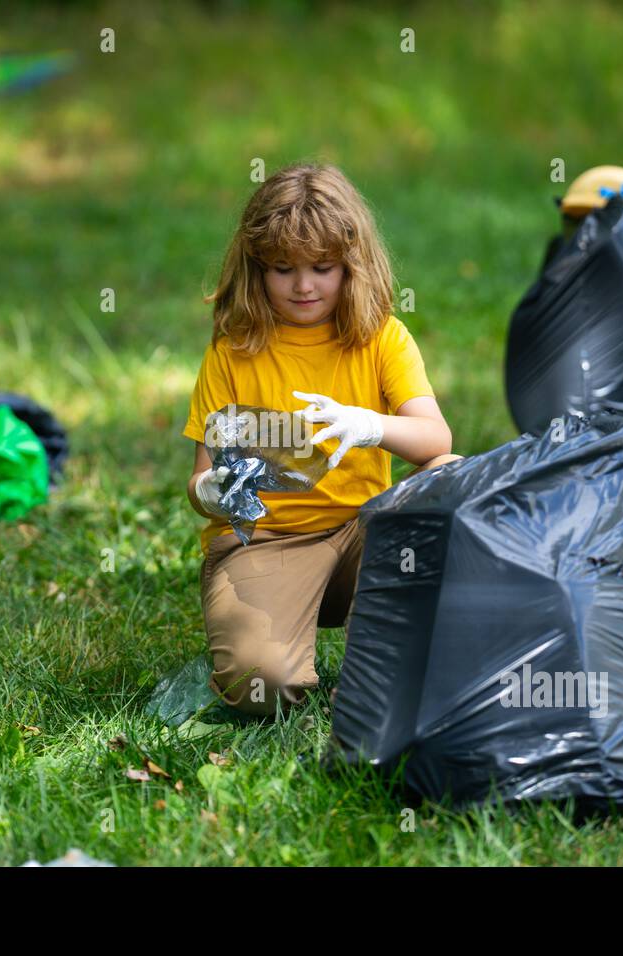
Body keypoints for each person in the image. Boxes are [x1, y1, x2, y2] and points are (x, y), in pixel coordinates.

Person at [181, 163, 460, 718]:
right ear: (256, 268)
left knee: (450, 476)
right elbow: (197, 477)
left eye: (322, 268)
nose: (304, 285)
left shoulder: (380, 336)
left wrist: (369, 426)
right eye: (283, 269)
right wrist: (212, 491)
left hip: (366, 535)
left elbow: (436, 439)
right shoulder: (234, 349)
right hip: (266, 541)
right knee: (262, 687)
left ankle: (378, 669)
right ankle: (281, 646)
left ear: (351, 266)